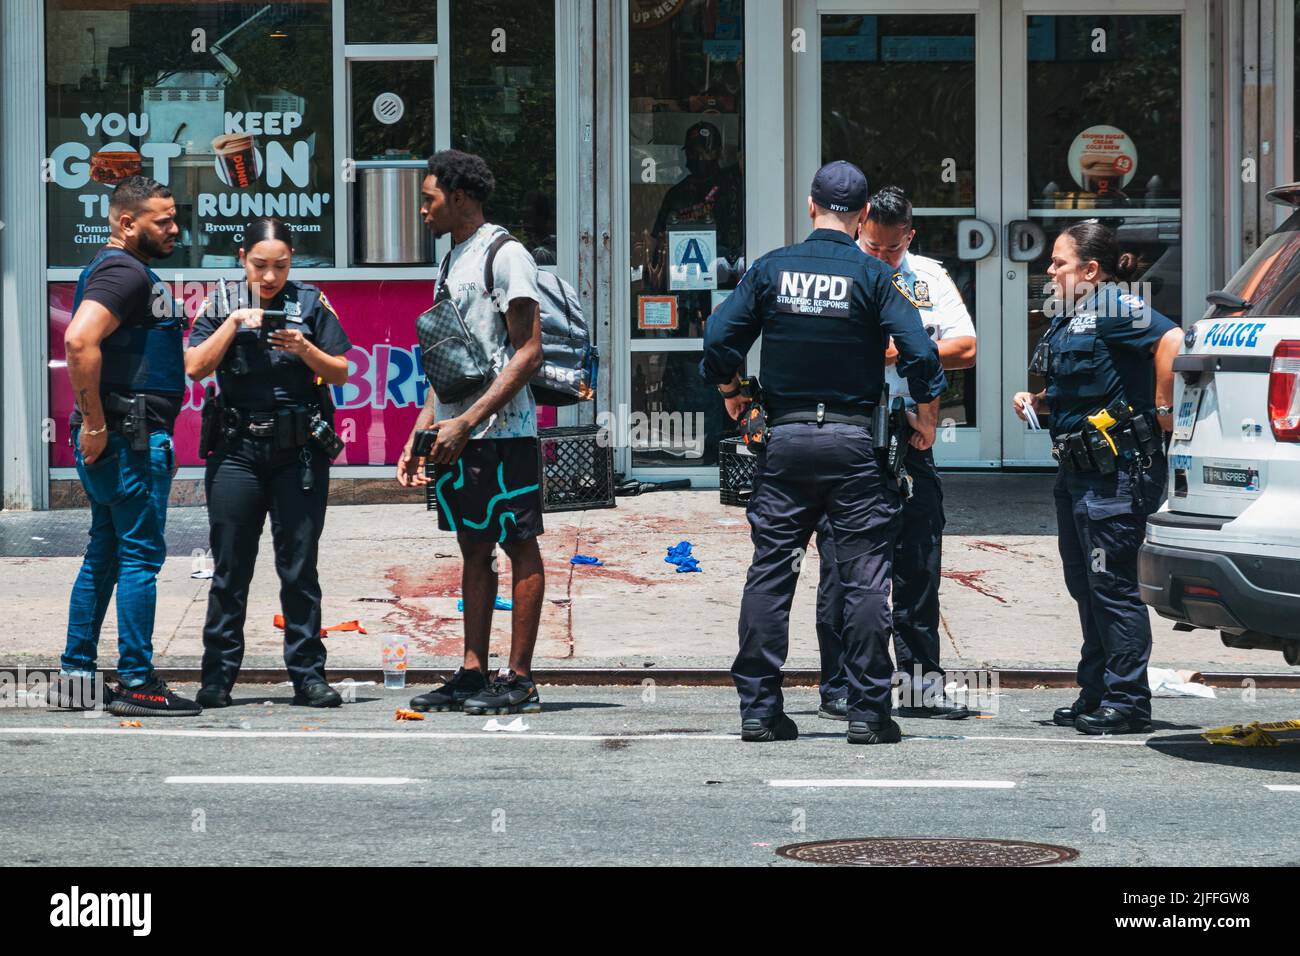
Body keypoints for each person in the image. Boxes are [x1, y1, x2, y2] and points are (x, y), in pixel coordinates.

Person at [701, 161, 945, 745]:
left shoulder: (772, 269)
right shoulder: (873, 275)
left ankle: (759, 710)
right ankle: (867, 712)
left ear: (811, 206)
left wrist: (732, 392)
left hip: (784, 443)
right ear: (863, 215)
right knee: (865, 578)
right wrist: (927, 419)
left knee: (771, 573)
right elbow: (921, 354)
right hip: (854, 442)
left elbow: (718, 340)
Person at [1011, 220, 1182, 735]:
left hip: (1114, 478)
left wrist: (1161, 408)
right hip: (1075, 473)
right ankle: (1098, 690)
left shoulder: (1113, 306)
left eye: (1059, 262)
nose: (1050, 268)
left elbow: (1172, 338)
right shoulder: (1070, 316)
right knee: (1085, 585)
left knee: (1112, 587)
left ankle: (1128, 701)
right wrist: (1038, 401)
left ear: (1090, 270)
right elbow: (1080, 385)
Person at [814, 186, 977, 720]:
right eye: (873, 247)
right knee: (844, 566)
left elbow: (966, 347)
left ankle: (919, 687)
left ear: (910, 235)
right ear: (859, 226)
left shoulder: (928, 276)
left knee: (919, 565)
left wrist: (899, 347)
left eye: (891, 250)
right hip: (849, 433)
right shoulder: (835, 272)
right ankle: (840, 686)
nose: (881, 258)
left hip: (910, 436)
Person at [397, 150, 547, 715]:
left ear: (460, 197)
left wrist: (468, 421)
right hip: (458, 433)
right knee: (473, 547)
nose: (422, 209)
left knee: (518, 544)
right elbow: (452, 359)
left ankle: (521, 678)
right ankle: (472, 670)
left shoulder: (507, 256)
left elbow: (529, 352)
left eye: (430, 198)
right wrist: (425, 427)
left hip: (503, 436)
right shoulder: (452, 259)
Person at [185, 217, 352, 708]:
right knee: (231, 569)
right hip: (236, 451)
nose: (270, 276)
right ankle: (217, 678)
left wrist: (305, 349)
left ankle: (308, 676)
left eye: (280, 266)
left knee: (299, 567)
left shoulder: (310, 303)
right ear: (243, 260)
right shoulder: (220, 303)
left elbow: (341, 371)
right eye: (260, 265)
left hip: (296, 452)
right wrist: (235, 324)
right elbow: (195, 367)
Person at [54, 175, 200, 717]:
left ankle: (77, 676)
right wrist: (95, 424)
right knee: (139, 557)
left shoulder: (118, 268)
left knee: (106, 552)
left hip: (125, 437)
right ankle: (138, 680)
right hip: (125, 440)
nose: (173, 227)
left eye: (173, 216)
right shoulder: (123, 270)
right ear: (126, 223)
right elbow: (78, 339)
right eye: (162, 219)